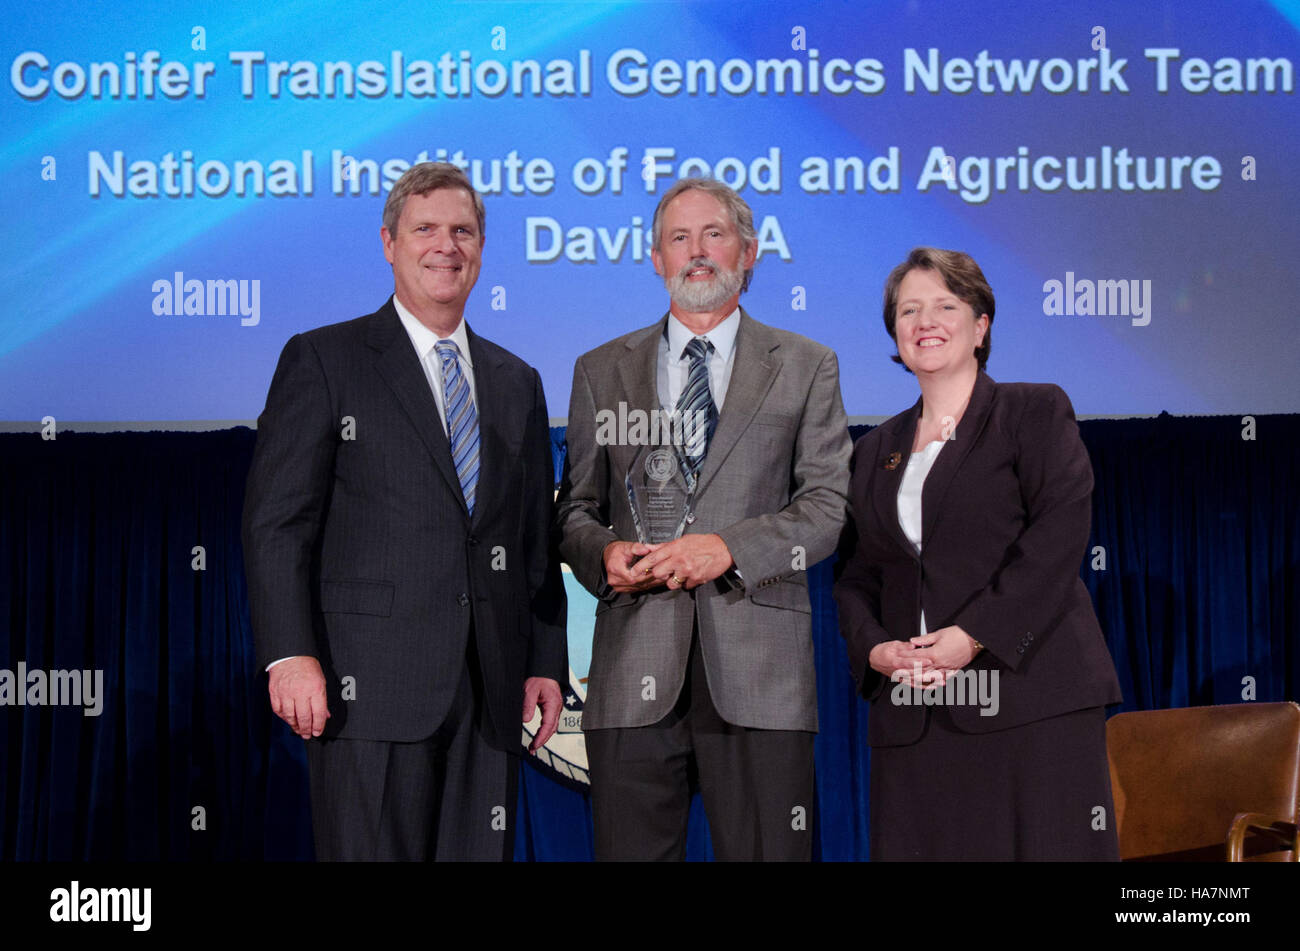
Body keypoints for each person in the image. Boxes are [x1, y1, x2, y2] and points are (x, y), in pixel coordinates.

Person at [242, 162, 567, 861]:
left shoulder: (518, 380)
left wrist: (544, 660)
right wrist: (291, 654)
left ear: (481, 248)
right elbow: (277, 523)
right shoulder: (325, 359)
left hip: (489, 695)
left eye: (463, 230)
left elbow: (533, 541)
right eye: (425, 228)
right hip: (368, 689)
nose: (445, 245)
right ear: (389, 242)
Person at [556, 178, 851, 861]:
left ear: (749, 252)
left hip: (760, 677)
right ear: (656, 257)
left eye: (714, 234)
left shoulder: (807, 366)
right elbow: (575, 509)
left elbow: (828, 507)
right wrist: (602, 555)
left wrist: (729, 547)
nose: (697, 251)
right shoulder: (601, 370)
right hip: (633, 674)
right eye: (678, 238)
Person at [833, 246, 1122, 860]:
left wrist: (974, 634)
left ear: (980, 325)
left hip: (1030, 701)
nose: (925, 321)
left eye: (945, 304)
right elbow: (855, 575)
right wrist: (874, 648)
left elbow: (1057, 537)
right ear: (894, 333)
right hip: (914, 718)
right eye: (908, 310)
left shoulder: (1033, 410)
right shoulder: (872, 450)